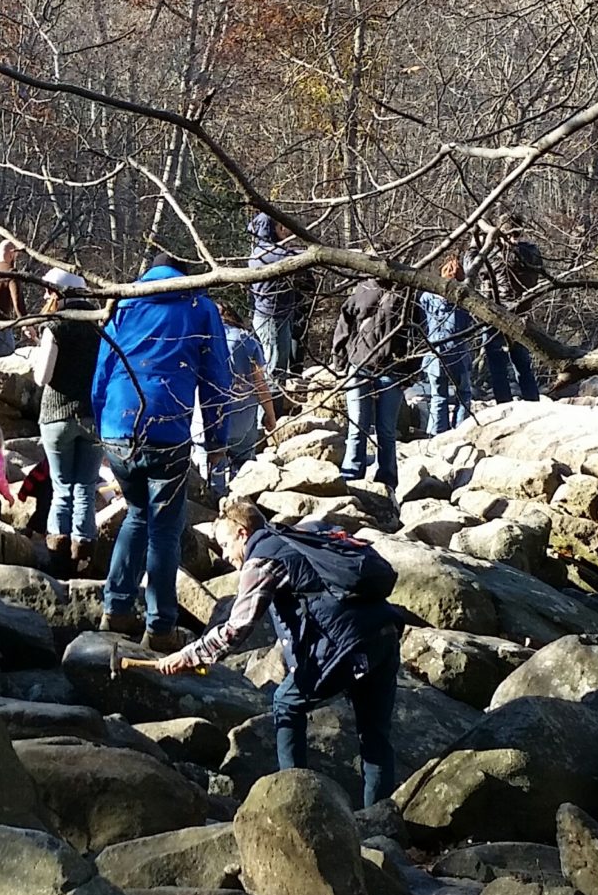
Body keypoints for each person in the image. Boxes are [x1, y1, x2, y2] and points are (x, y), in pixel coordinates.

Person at [124, 496, 410, 807]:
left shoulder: (261, 559)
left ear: (242, 533)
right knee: (375, 736)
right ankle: (380, 819)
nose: (224, 554)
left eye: (224, 544)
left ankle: (294, 797)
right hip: (384, 630)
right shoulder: (298, 536)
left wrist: (188, 656)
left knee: (286, 702)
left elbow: (237, 628)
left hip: (348, 643)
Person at [91, 251, 235, 652]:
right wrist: (217, 442)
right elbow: (216, 379)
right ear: (185, 275)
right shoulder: (198, 308)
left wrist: (101, 426)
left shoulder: (123, 303)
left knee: (137, 514)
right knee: (165, 529)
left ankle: (116, 609)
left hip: (119, 426)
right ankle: (160, 627)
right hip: (167, 427)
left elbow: (103, 369)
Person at [32, 268, 105, 576]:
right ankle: (84, 555)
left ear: (60, 294)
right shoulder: (100, 325)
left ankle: (58, 559)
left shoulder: (56, 325)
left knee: (62, 488)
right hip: (92, 416)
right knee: (86, 488)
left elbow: (42, 377)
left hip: (57, 415)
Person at [334, 270, 422, 491]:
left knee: (386, 429)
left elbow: (419, 333)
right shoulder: (363, 288)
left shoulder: (405, 292)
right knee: (357, 426)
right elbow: (344, 323)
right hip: (359, 366)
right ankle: (351, 477)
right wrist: (340, 361)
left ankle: (387, 481)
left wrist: (411, 372)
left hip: (392, 369)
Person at [468, 215, 547, 404]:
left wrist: (474, 241)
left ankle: (504, 406)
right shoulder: (533, 252)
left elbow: (470, 266)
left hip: (495, 313)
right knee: (523, 366)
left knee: (498, 367)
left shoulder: (496, 255)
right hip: (522, 315)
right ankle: (532, 404)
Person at [417, 256, 476, 435]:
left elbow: (420, 321)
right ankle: (459, 431)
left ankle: (436, 434)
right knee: (464, 394)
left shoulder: (427, 297)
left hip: (434, 353)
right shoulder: (465, 300)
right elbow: (470, 326)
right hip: (458, 353)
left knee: (438, 396)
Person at [218, 312, 278, 488]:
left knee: (212, 472)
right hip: (242, 421)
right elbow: (260, 384)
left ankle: (215, 505)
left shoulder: (199, 338)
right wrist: (270, 415)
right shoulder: (246, 339)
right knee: (243, 469)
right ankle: (240, 500)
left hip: (207, 422)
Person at [247, 212, 310, 377]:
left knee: (277, 368)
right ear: (271, 229)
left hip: (276, 317)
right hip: (272, 319)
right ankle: (273, 402)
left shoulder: (261, 252)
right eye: (279, 226)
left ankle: (277, 401)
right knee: (274, 370)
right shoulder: (269, 254)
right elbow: (301, 258)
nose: (284, 230)